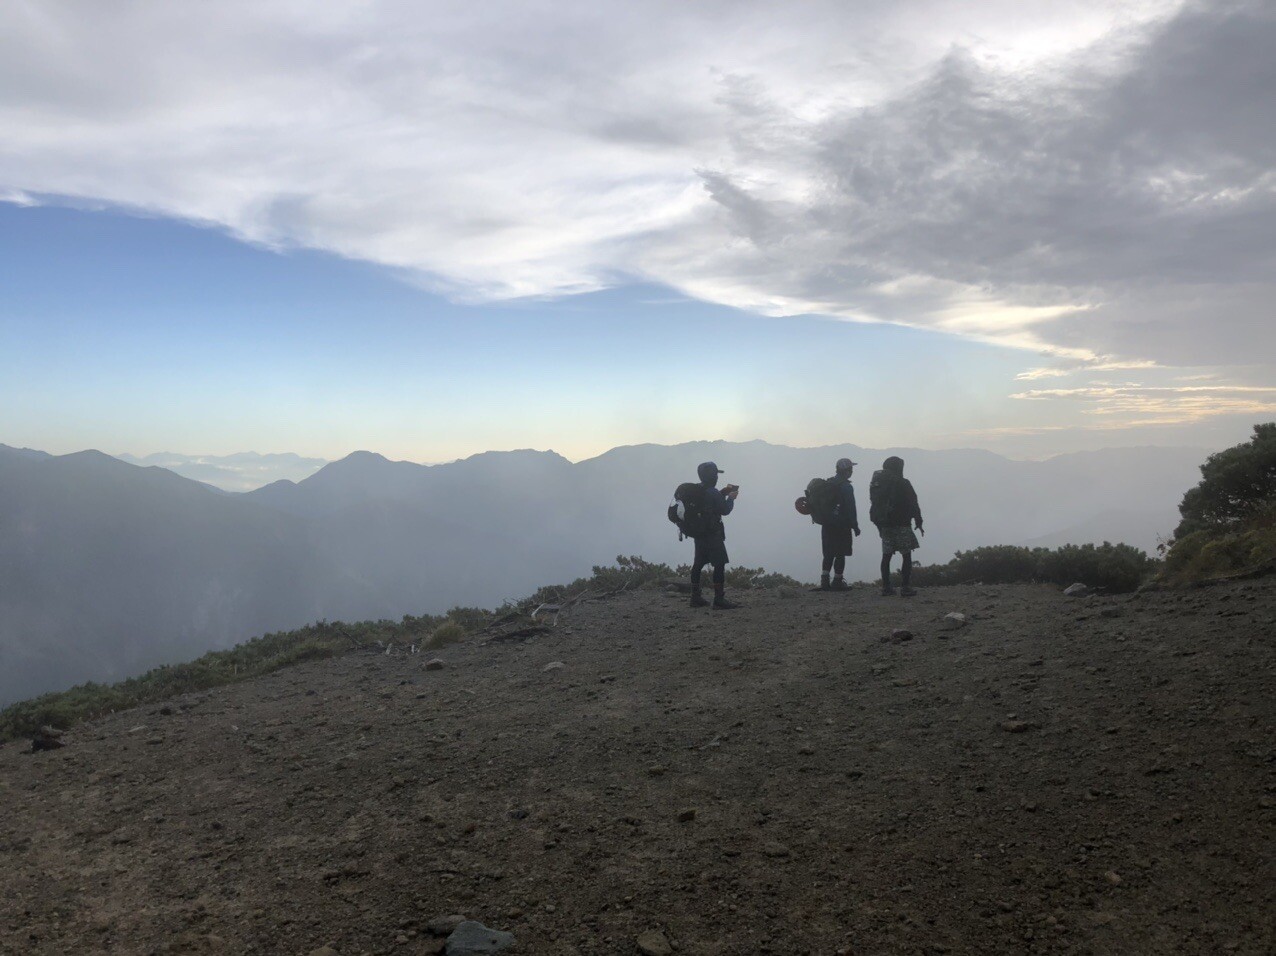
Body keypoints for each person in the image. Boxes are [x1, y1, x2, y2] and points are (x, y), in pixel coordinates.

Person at [869, 456, 924, 597]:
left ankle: (886, 587)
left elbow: (874, 504)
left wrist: (879, 524)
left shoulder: (877, 484)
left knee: (886, 556)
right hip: (902, 524)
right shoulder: (903, 483)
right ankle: (905, 587)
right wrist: (919, 521)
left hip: (885, 524)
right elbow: (913, 503)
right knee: (906, 554)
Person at [689, 461, 740, 610]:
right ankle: (718, 599)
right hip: (713, 534)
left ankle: (695, 597)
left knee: (698, 564)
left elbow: (710, 505)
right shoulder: (712, 492)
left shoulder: (698, 490)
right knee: (719, 564)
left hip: (699, 534)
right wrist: (731, 498)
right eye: (716, 474)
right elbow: (724, 510)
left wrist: (722, 493)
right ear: (713, 476)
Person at [820, 457, 861, 590]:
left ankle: (824, 582)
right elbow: (851, 508)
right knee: (840, 553)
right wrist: (855, 526)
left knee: (828, 553)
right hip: (842, 525)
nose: (852, 471)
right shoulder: (846, 487)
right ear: (847, 471)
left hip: (827, 524)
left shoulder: (829, 484)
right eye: (851, 469)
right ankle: (837, 582)